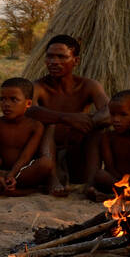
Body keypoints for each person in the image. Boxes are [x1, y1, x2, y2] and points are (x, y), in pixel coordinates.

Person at [27, 35, 109, 195]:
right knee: (47, 124)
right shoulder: (38, 86)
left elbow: (109, 112)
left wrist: (87, 122)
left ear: (75, 61)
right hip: (45, 154)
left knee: (97, 132)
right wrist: (67, 118)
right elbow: (30, 111)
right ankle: (52, 179)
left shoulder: (88, 85)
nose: (54, 62)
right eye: (50, 56)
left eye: (61, 57)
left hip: (76, 154)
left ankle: (91, 184)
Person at [0, 77, 53, 194]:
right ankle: (18, 190)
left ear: (28, 103)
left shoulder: (36, 126)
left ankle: (7, 187)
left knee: (46, 164)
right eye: (2, 99)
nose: (6, 104)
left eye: (13, 99)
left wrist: (12, 174)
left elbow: (26, 156)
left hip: (22, 171)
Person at [85, 90, 130, 199]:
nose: (116, 120)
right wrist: (122, 180)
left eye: (123, 115)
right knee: (101, 175)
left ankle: (117, 195)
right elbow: (110, 167)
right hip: (115, 180)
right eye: (113, 114)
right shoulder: (108, 137)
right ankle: (123, 193)